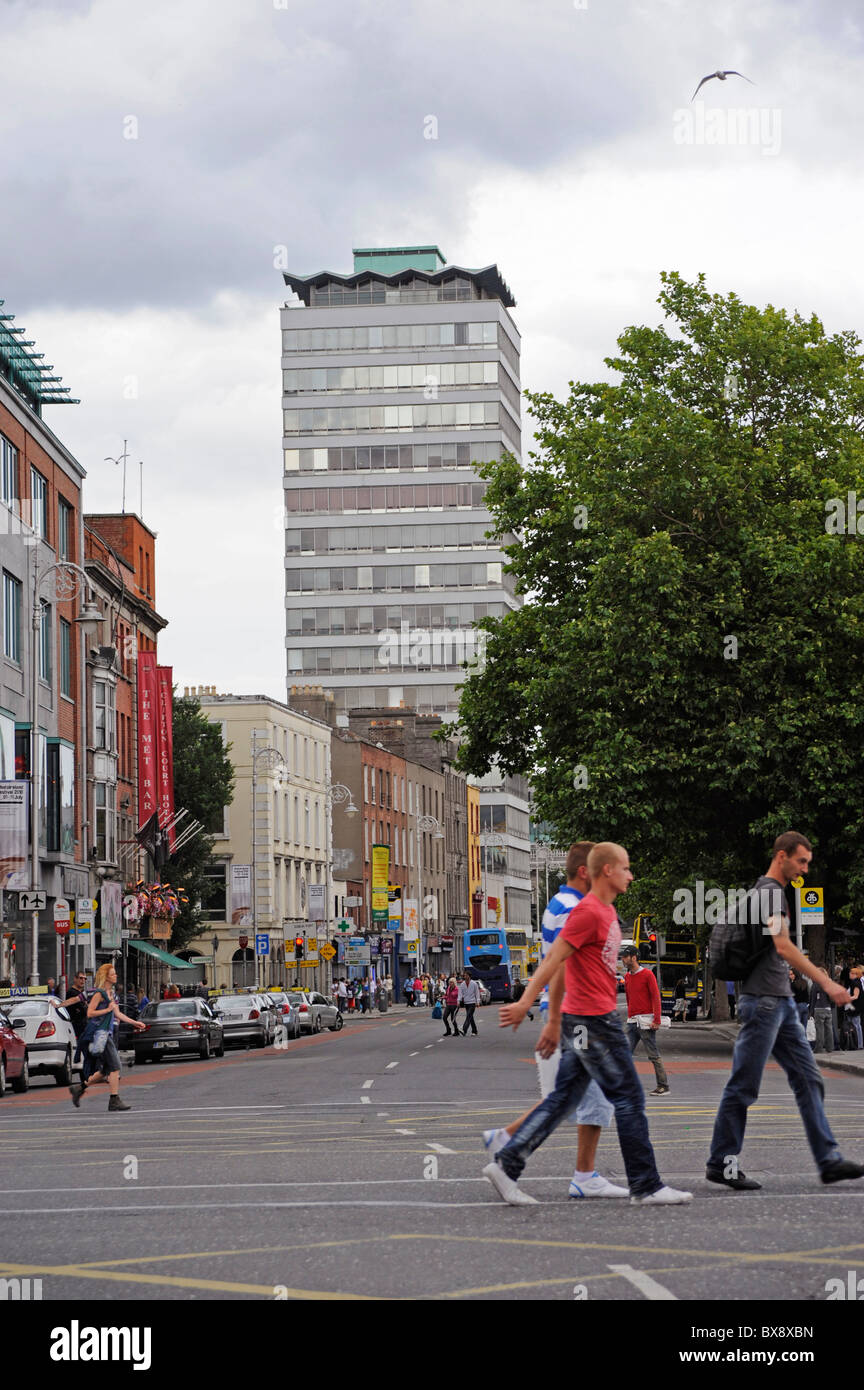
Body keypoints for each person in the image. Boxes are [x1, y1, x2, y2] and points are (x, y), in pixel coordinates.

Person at [484, 842, 692, 1207]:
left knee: (563, 1098)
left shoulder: (607, 911)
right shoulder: (588, 912)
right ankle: (646, 1184)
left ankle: (507, 1163)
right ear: (606, 870)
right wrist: (525, 1002)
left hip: (587, 1019)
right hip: (593, 1021)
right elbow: (553, 961)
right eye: (626, 868)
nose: (631, 874)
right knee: (629, 1097)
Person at [707, 831, 864, 1189]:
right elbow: (782, 946)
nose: (805, 870)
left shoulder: (768, 893)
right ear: (782, 856)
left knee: (809, 1079)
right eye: (801, 861)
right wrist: (827, 982)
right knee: (743, 1087)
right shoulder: (771, 893)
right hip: (763, 1003)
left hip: (780, 1003)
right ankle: (721, 1161)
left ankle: (828, 1160)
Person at [482, 841, 628, 1201]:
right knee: (582, 1097)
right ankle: (564, 1169)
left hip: (576, 1011)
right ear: (586, 871)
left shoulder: (562, 904)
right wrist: (549, 1016)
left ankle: (510, 1143)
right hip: (575, 1012)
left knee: (570, 1095)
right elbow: (563, 965)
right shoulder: (572, 908)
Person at [70, 963, 145, 1111]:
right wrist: (106, 1009)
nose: (116, 975)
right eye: (113, 974)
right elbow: (89, 1013)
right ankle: (114, 1100)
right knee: (116, 1066)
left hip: (107, 1033)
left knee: (105, 1070)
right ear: (106, 976)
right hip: (100, 1034)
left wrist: (135, 1022)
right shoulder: (99, 993)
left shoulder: (112, 994)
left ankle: (79, 1088)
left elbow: (117, 1013)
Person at [622, 947, 669, 1095]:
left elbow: (656, 998)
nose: (623, 960)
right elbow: (629, 999)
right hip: (632, 1021)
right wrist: (629, 1015)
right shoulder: (627, 977)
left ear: (634, 957)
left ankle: (663, 1086)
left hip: (646, 1022)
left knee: (653, 1055)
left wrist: (656, 1020)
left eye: (625, 957)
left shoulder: (648, 975)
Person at [61, 971, 90, 1039]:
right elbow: (84, 1010)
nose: (83, 981)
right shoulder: (72, 992)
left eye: (85, 979)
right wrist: (86, 1005)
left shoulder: (82, 993)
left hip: (84, 1026)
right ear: (75, 979)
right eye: (81, 978)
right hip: (76, 1027)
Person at [809, 976, 834, 1053]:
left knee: (820, 1029)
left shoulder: (816, 984)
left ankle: (819, 1048)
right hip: (828, 1008)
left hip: (818, 1008)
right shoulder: (828, 983)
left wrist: (811, 1012)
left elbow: (813, 999)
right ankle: (830, 1048)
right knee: (829, 1029)